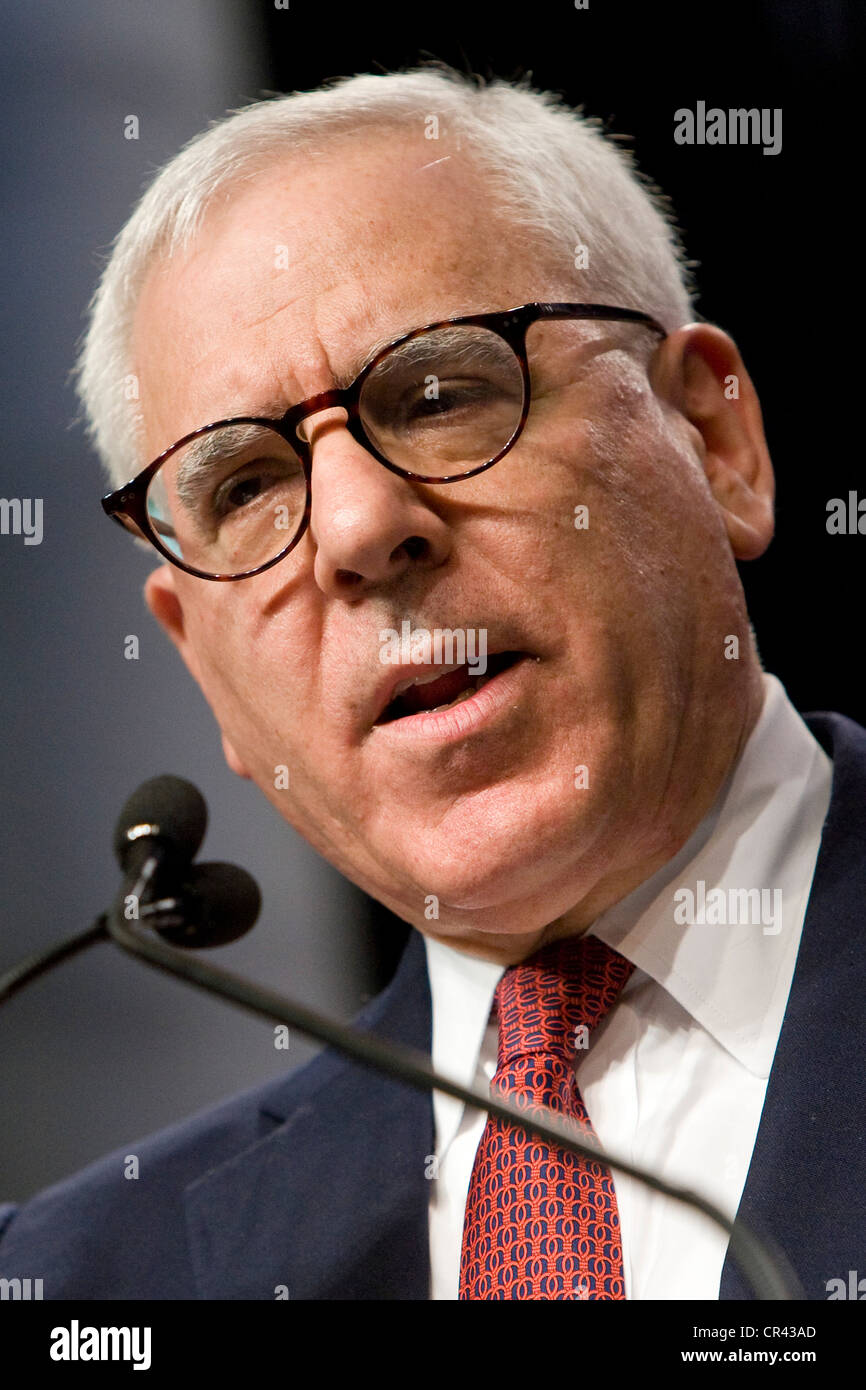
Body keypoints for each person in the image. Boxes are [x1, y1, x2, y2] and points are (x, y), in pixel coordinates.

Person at [1, 65, 862, 1302]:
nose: (357, 528)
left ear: (713, 444)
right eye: (243, 486)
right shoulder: (87, 1281)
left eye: (443, 393)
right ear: (195, 655)